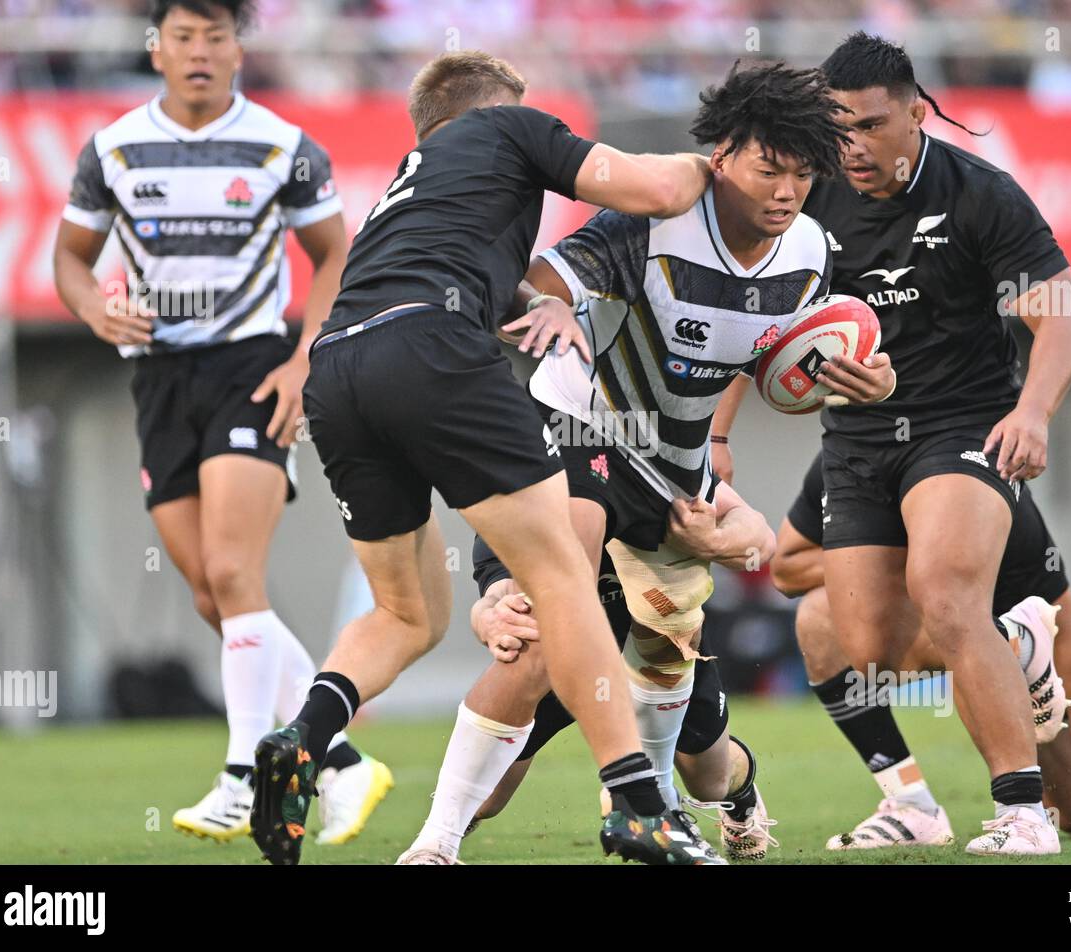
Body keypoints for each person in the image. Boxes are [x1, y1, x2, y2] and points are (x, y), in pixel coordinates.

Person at [392, 60, 871, 865]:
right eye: (769, 167)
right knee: (534, 643)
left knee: (708, 761)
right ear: (722, 155)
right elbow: (542, 280)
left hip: (675, 486)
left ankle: (693, 804)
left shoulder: (812, 254)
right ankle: (435, 844)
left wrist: (867, 377)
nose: (787, 189)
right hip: (584, 438)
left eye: (802, 172)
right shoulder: (657, 221)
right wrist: (546, 303)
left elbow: (774, 359)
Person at [250, 49, 719, 866]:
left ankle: (303, 739)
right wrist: (705, 163)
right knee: (563, 577)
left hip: (340, 367)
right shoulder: (508, 125)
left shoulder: (411, 182)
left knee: (406, 612)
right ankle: (639, 803)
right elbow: (656, 191)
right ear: (492, 108)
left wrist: (539, 300)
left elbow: (476, 278)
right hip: (430, 347)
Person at [52, 0, 389, 847]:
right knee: (212, 589)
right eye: (184, 37)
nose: (200, 52)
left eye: (216, 36)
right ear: (156, 48)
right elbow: (70, 257)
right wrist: (95, 309)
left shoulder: (283, 146)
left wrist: (303, 356)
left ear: (240, 47)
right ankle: (341, 759)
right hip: (159, 381)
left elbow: (334, 253)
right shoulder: (114, 148)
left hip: (250, 368)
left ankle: (244, 773)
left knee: (236, 570)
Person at [767, 32, 1071, 855]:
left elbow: (1061, 310)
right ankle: (1018, 644)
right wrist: (722, 433)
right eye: (839, 129)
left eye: (871, 126)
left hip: (965, 421)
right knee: (860, 641)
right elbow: (759, 312)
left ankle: (1022, 812)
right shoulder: (809, 195)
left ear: (916, 114)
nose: (853, 147)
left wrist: (1035, 413)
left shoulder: (980, 192)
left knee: (945, 590)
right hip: (858, 435)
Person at [768, 449, 1071, 848]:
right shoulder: (846, 457)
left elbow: (1063, 622)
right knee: (818, 617)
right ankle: (911, 805)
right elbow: (785, 567)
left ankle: (1058, 786)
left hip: (997, 662)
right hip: (922, 636)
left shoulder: (980, 474)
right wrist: (877, 561)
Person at [397, 536, 778, 864]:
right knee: (484, 799)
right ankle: (437, 840)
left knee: (709, 782)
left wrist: (721, 532)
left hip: (657, 647)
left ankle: (736, 797)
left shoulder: (644, 480)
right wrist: (488, 613)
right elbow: (499, 589)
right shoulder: (517, 491)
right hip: (563, 653)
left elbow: (742, 531)